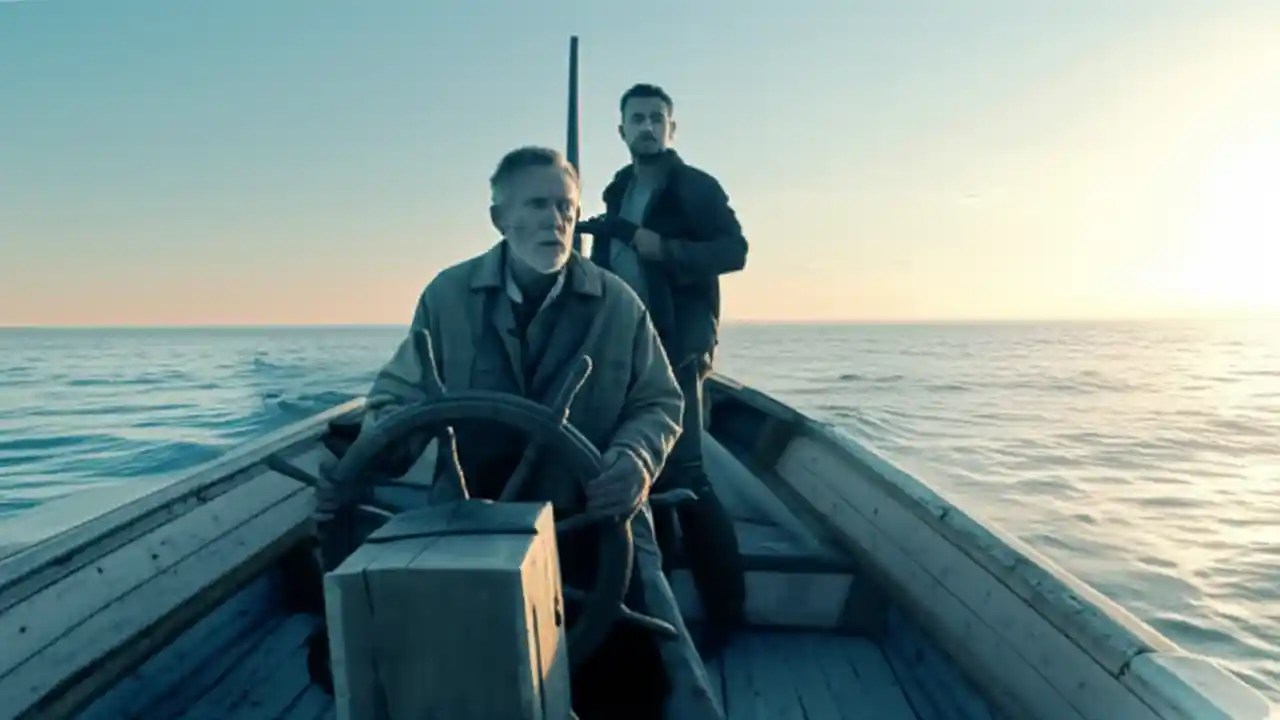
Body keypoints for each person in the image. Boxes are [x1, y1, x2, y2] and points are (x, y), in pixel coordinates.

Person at [319, 146, 724, 720]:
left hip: (592, 519)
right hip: (467, 520)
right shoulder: (446, 297)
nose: (554, 221)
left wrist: (634, 459)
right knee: (360, 659)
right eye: (537, 205)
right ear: (499, 219)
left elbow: (658, 400)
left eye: (565, 207)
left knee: (649, 678)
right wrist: (366, 455)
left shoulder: (618, 305)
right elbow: (397, 403)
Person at [578, 83, 747, 654]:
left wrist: (663, 248)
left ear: (671, 129)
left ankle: (726, 617)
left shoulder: (695, 187)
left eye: (657, 118)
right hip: (621, 351)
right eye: (637, 119)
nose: (647, 127)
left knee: (689, 478)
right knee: (632, 474)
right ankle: (644, 602)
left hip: (678, 349)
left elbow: (734, 251)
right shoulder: (615, 190)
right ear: (621, 130)